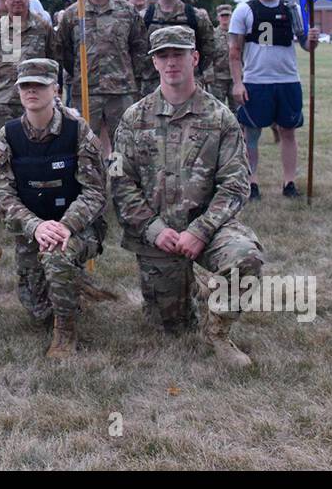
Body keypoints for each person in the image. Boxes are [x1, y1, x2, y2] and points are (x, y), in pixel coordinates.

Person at [111, 26, 264, 367]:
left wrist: (201, 230)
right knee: (171, 326)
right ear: (153, 62)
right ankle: (188, 284)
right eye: (163, 56)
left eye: (178, 54)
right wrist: (154, 230)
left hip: (208, 230)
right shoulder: (134, 119)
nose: (171, 62)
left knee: (245, 257)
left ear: (194, 58)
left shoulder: (219, 117)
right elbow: (121, 184)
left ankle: (219, 333)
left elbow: (236, 184)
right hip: (158, 234)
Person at [0, 57, 115, 358]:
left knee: (57, 255)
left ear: (54, 89)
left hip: (77, 228)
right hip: (33, 229)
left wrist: (65, 227)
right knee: (37, 309)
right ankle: (72, 284)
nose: (32, 91)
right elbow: (0, 191)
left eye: (40, 85)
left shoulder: (77, 130)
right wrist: (35, 226)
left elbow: (96, 191)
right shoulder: (10, 134)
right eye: (25, 86)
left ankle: (65, 334)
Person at [228, 0, 320, 200]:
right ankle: (252, 182)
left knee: (288, 131)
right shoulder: (244, 11)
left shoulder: (293, 9)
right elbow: (234, 52)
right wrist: (238, 82)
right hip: (256, 81)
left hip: (288, 80)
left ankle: (289, 182)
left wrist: (313, 39)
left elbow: (307, 46)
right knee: (252, 133)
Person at [55, 0, 149, 153]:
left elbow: (140, 46)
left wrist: (132, 75)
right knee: (84, 146)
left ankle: (121, 182)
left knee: (125, 146)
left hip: (121, 92)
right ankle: (91, 183)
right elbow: (63, 50)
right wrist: (79, 72)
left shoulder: (126, 11)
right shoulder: (73, 14)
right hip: (86, 92)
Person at [0, 0, 58, 150]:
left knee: (37, 150)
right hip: (1, 103)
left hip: (35, 102)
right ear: (5, 0)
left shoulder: (43, 27)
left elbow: (53, 59)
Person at [142, 0, 216, 92]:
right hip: (151, 84)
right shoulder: (144, 17)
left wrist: (200, 72)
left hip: (188, 83)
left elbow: (208, 48)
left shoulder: (196, 16)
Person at [204, 4, 238, 111]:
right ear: (218, 17)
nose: (225, 18)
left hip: (235, 78)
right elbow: (208, 56)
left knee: (237, 109)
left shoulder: (237, 34)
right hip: (218, 79)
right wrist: (209, 76)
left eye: (227, 16)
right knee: (218, 109)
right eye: (222, 16)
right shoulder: (212, 35)